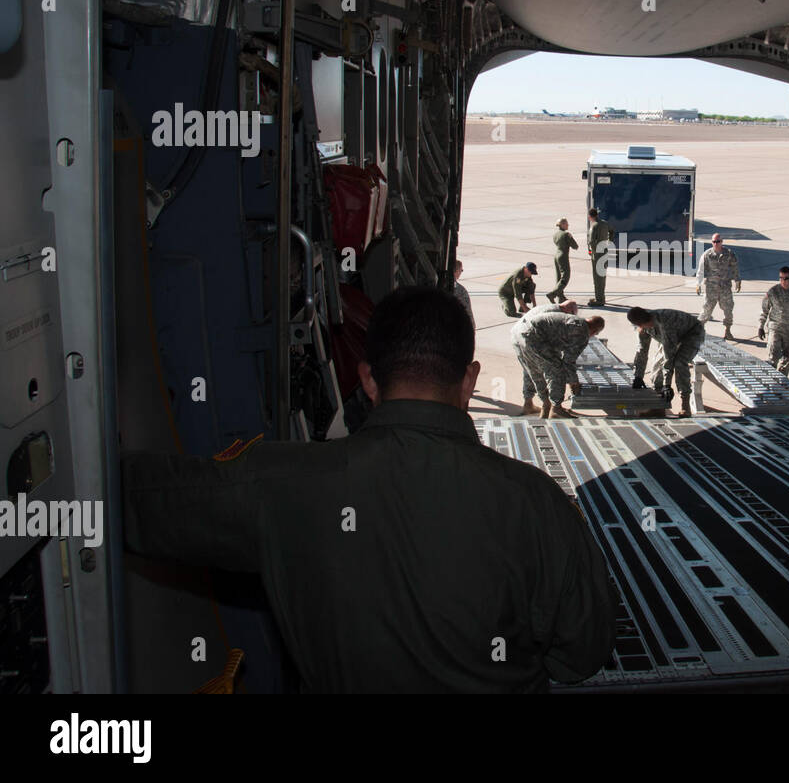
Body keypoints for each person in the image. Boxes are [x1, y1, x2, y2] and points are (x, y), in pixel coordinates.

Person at [122, 286, 616, 692]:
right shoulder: (538, 504)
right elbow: (581, 655)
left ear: (369, 382)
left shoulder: (281, 485)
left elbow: (142, 503)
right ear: (469, 381)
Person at [514, 311, 605, 418]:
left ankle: (546, 406)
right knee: (557, 370)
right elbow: (568, 361)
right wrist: (574, 382)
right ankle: (556, 408)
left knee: (535, 371)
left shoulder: (574, 320)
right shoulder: (582, 331)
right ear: (594, 331)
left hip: (520, 335)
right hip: (535, 338)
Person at [628, 307, 706, 418]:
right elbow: (642, 351)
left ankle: (685, 407)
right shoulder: (643, 328)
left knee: (680, 362)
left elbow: (669, 357)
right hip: (669, 338)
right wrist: (638, 376)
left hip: (692, 333)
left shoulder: (664, 323)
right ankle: (658, 408)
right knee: (656, 369)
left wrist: (667, 385)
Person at [758, 266, 789, 375]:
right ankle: (769, 382)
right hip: (775, 329)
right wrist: (761, 327)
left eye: (785, 278)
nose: (783, 281)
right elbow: (764, 310)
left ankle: (781, 384)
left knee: (786, 359)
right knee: (773, 358)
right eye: (781, 278)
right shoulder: (773, 292)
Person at [696, 233, 740, 340]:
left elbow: (735, 267)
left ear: (722, 241)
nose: (716, 244)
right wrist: (698, 284)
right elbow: (700, 270)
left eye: (718, 241)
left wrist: (737, 280)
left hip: (725, 288)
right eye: (714, 242)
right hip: (711, 288)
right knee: (706, 310)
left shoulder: (729, 254)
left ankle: (728, 331)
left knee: (728, 310)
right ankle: (698, 331)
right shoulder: (707, 255)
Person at [547, 218, 580, 303]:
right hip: (563, 256)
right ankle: (553, 294)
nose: (568, 225)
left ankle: (561, 297)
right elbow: (575, 246)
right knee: (565, 276)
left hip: (556, 255)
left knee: (558, 277)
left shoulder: (556, 234)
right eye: (566, 224)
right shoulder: (566, 234)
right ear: (562, 225)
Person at [587, 208, 613, 306]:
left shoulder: (594, 226)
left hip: (597, 255)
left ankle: (599, 300)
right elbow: (612, 231)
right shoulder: (605, 223)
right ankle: (601, 297)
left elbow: (591, 241)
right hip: (605, 251)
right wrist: (609, 241)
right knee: (602, 277)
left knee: (597, 278)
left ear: (590, 216)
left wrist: (593, 251)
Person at [452, 260, 474, 325]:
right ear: (457, 271)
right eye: (461, 270)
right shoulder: (460, 290)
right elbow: (467, 312)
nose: (461, 272)